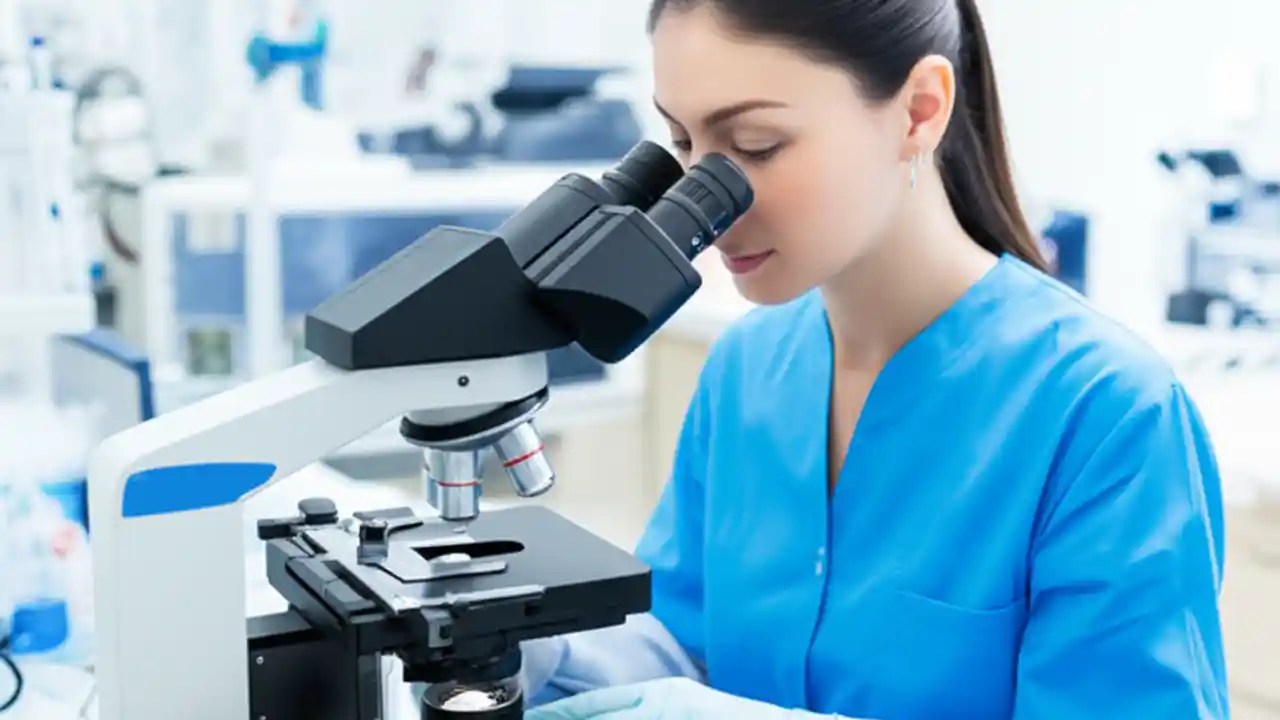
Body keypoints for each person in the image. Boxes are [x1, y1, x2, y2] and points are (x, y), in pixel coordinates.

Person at [522, 0, 1230, 718]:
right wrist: (547, 653)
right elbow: (687, 646)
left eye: (757, 144)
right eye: (681, 143)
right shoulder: (746, 369)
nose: (706, 200)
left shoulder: (1104, 413)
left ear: (919, 111)